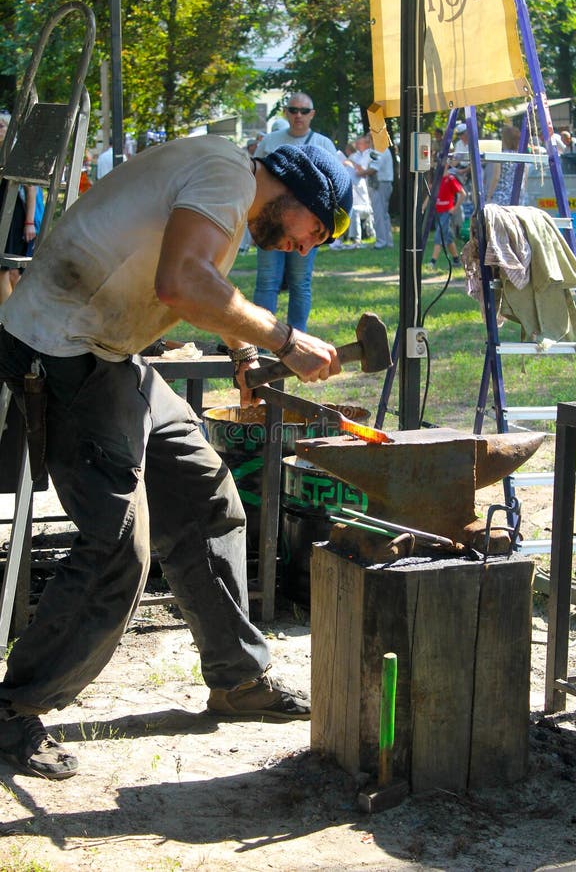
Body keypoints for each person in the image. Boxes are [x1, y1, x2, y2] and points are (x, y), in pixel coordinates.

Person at [0, 135, 353, 780]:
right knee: (116, 545)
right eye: (315, 231)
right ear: (298, 191)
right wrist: (284, 336)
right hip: (63, 347)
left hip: (109, 351)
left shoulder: (227, 182)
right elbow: (181, 281)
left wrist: (244, 353)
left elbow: (202, 281)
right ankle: (12, 711)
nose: (305, 247)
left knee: (203, 495)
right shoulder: (226, 176)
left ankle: (239, 677)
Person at [253, 93, 337, 331]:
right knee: (267, 281)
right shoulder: (270, 141)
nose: (298, 115)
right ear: (286, 113)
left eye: (303, 111)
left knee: (300, 283)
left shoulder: (323, 144)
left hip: (305, 229)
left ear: (312, 114)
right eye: (293, 110)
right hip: (269, 224)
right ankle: (262, 339)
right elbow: (254, 179)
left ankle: (298, 339)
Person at [0, 112, 40, 302]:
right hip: (4, 213)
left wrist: (29, 222)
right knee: (9, 271)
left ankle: (9, 321)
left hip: (14, 215)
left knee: (8, 270)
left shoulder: (17, 153)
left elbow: (31, 188)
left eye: (1, 126)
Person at [423, 160, 466, 268]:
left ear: (446, 165)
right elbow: (430, 194)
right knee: (448, 237)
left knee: (440, 235)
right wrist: (423, 207)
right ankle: (456, 260)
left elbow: (463, 194)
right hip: (438, 212)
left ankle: (432, 262)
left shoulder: (450, 179)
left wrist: (454, 208)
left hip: (447, 212)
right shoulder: (437, 179)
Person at [361, 135, 394, 249]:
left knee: (379, 214)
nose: (368, 141)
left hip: (380, 184)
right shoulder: (383, 149)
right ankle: (388, 241)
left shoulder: (380, 150)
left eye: (369, 139)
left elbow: (373, 169)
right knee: (384, 214)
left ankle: (381, 242)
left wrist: (360, 172)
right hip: (385, 183)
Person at [486, 125, 528, 206]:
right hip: (519, 198)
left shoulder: (500, 157)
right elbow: (525, 180)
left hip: (502, 197)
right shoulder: (523, 158)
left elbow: (496, 177)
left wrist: (489, 196)